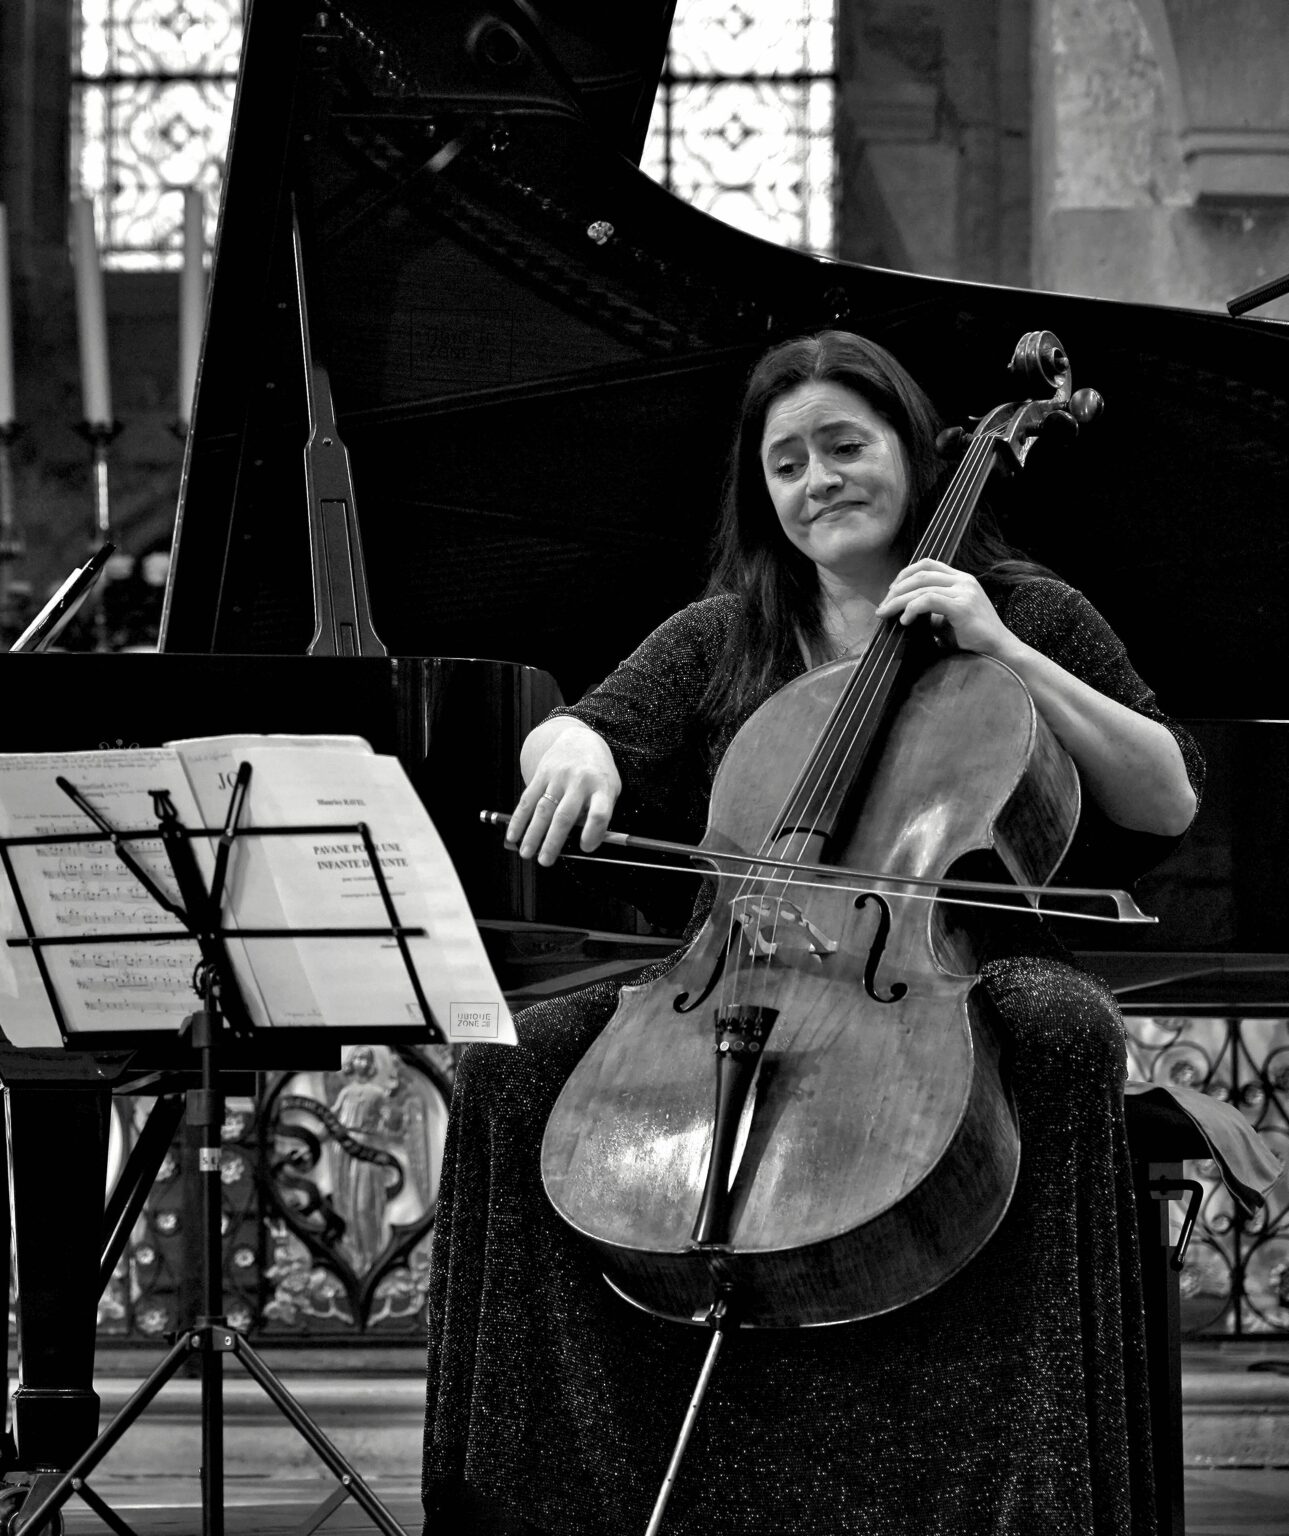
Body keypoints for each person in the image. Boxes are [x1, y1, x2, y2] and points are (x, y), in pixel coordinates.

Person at [421, 331, 1203, 1536]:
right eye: (786, 462)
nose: (816, 479)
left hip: (946, 969)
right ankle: (547, 1489)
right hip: (732, 966)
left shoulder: (1029, 607)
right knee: (508, 1063)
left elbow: (1164, 795)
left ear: (909, 450)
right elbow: (585, 729)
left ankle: (1020, 1481)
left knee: (1061, 1028)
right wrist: (566, 744)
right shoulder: (723, 632)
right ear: (762, 491)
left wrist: (998, 644)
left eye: (845, 445)